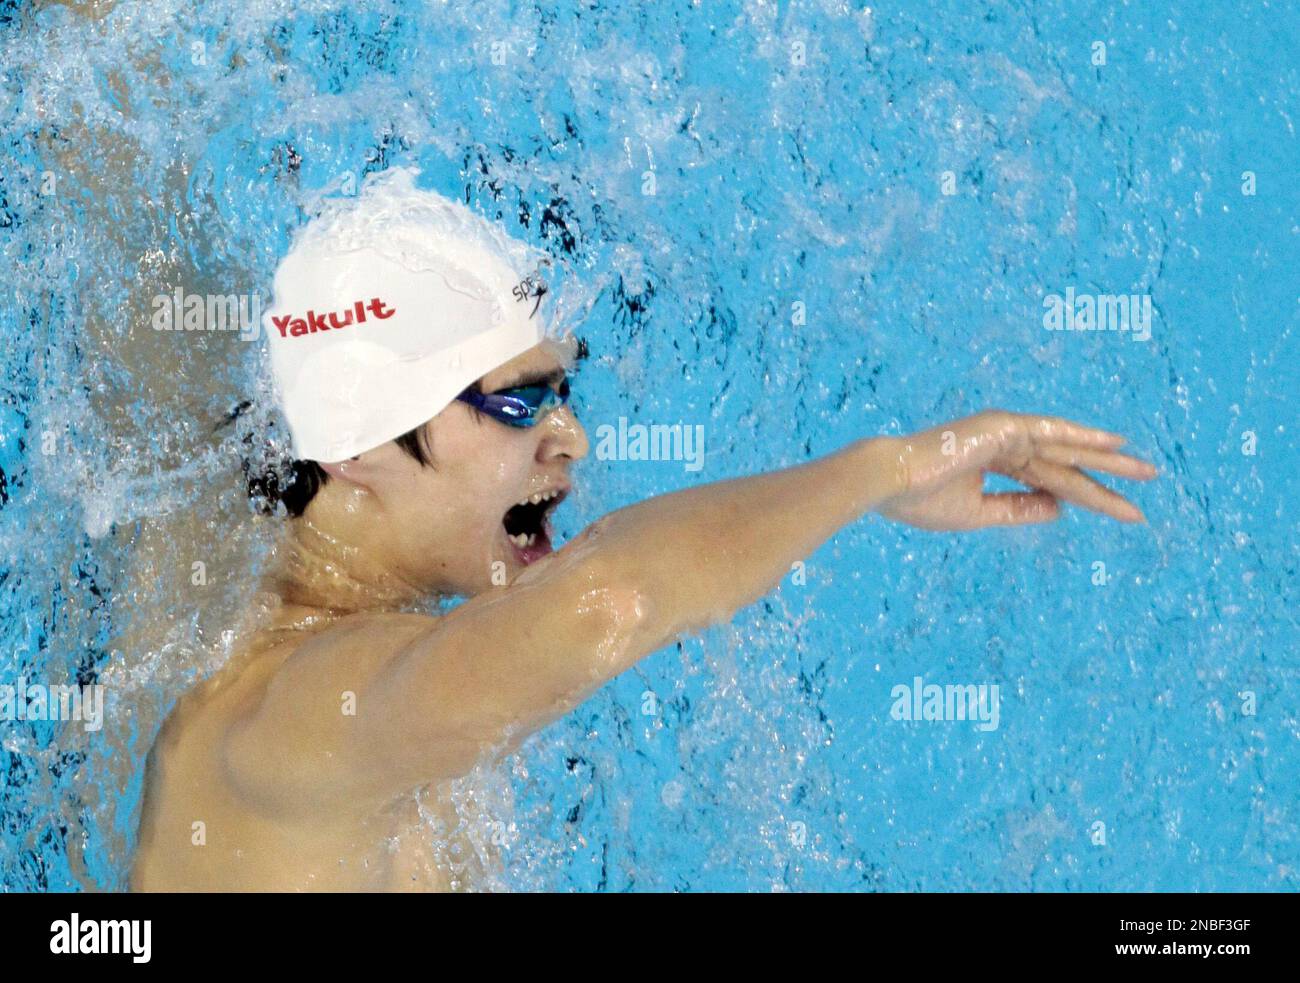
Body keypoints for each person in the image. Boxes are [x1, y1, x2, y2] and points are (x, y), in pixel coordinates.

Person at [129, 168, 1156, 891]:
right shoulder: (301, 709)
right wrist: (882, 471)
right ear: (354, 449)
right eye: (519, 404)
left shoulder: (212, 560)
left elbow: (133, 273)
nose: (572, 435)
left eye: (563, 391)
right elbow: (606, 603)